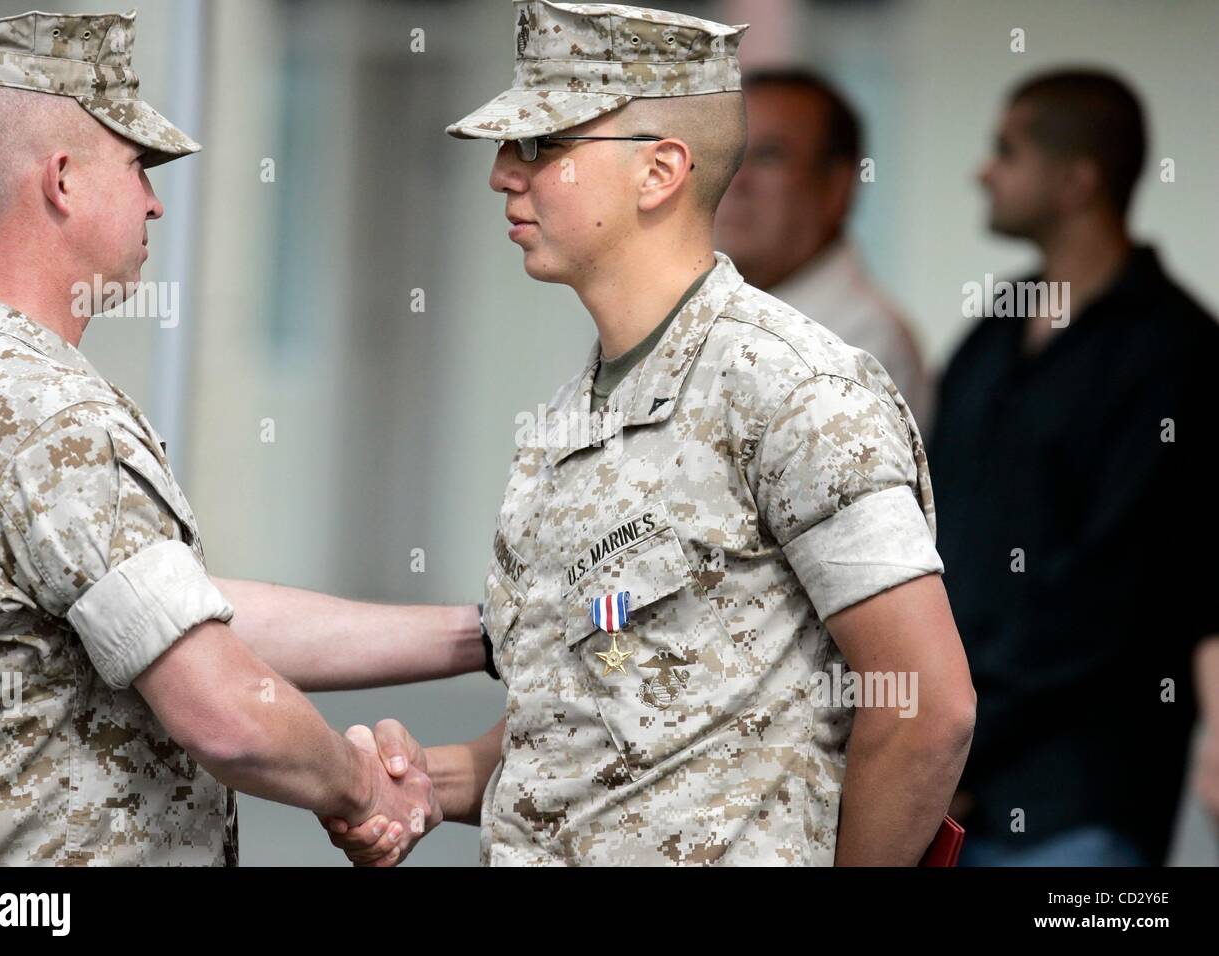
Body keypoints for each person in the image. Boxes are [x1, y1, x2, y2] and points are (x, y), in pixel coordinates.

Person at [331, 0, 975, 867]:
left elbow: (928, 709)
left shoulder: (793, 389)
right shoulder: (572, 417)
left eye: (542, 146)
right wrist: (426, 785)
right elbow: (591, 724)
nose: (501, 175)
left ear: (660, 170)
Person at [0, 9, 467, 866]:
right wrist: (362, 788)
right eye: (136, 165)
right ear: (62, 180)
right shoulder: (55, 424)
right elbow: (224, 709)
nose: (156, 201)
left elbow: (179, 616)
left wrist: (477, 636)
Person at [930, 69, 1219, 866]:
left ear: (1076, 179)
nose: (983, 172)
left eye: (1006, 150)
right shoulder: (993, 334)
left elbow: (1111, 594)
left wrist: (956, 745)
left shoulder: (1174, 351)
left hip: (1078, 799)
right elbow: (928, 528)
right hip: (953, 786)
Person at [714, 69, 931, 425]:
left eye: (768, 156)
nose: (735, 181)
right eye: (725, 153)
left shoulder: (856, 347)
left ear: (836, 187)